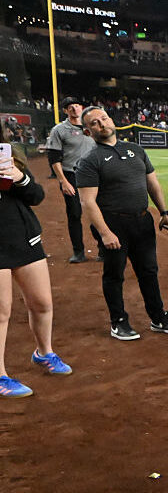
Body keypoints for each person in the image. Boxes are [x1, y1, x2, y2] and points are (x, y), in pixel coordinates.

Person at [76, 106, 168, 341]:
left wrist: (164, 212)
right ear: (88, 131)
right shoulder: (90, 160)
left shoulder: (136, 149)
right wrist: (104, 233)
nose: (102, 124)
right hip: (113, 223)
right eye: (94, 123)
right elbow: (87, 201)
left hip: (142, 221)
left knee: (149, 271)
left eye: (104, 118)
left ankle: (158, 317)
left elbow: (152, 184)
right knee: (115, 274)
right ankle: (119, 322)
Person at [1, 121, 72, 398]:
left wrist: (20, 178)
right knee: (1, 313)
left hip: (23, 239)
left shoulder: (10, 155)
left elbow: (37, 196)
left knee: (42, 303)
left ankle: (44, 353)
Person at [45, 96, 99, 263]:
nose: (75, 109)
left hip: (94, 174)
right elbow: (54, 157)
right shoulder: (59, 130)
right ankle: (78, 251)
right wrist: (63, 181)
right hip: (71, 174)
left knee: (98, 212)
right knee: (75, 214)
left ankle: (103, 249)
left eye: (77, 105)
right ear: (65, 111)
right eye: (71, 107)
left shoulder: (92, 126)